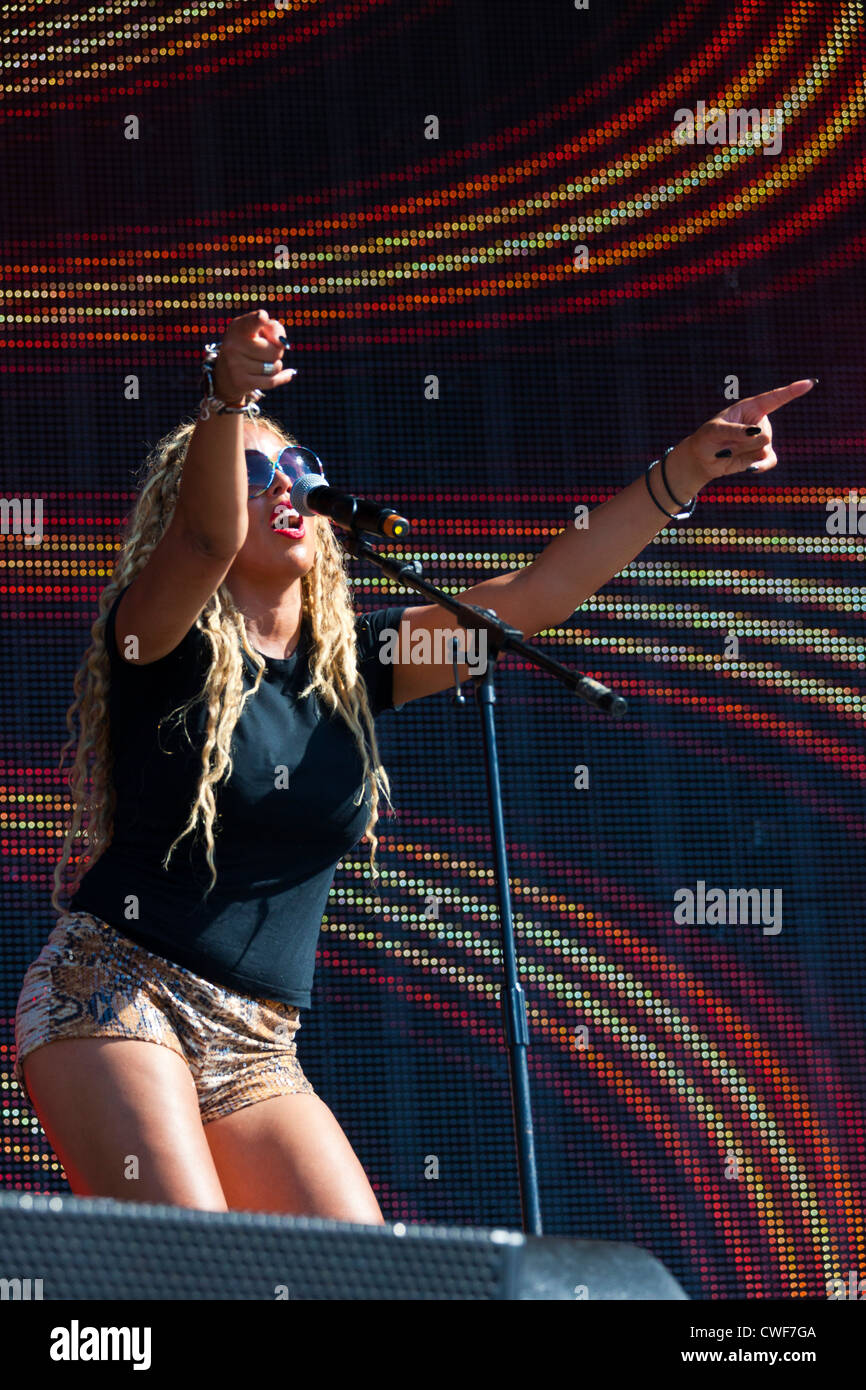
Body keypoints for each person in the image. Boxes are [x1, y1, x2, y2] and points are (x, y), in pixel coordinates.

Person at [14, 308, 814, 1220]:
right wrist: (227, 395)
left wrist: (682, 473)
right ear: (199, 493)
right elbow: (202, 544)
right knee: (197, 1267)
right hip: (118, 993)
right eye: (253, 470)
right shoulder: (152, 638)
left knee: (365, 1275)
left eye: (298, 471)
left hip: (260, 1043)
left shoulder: (354, 667)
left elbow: (534, 596)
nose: (287, 486)